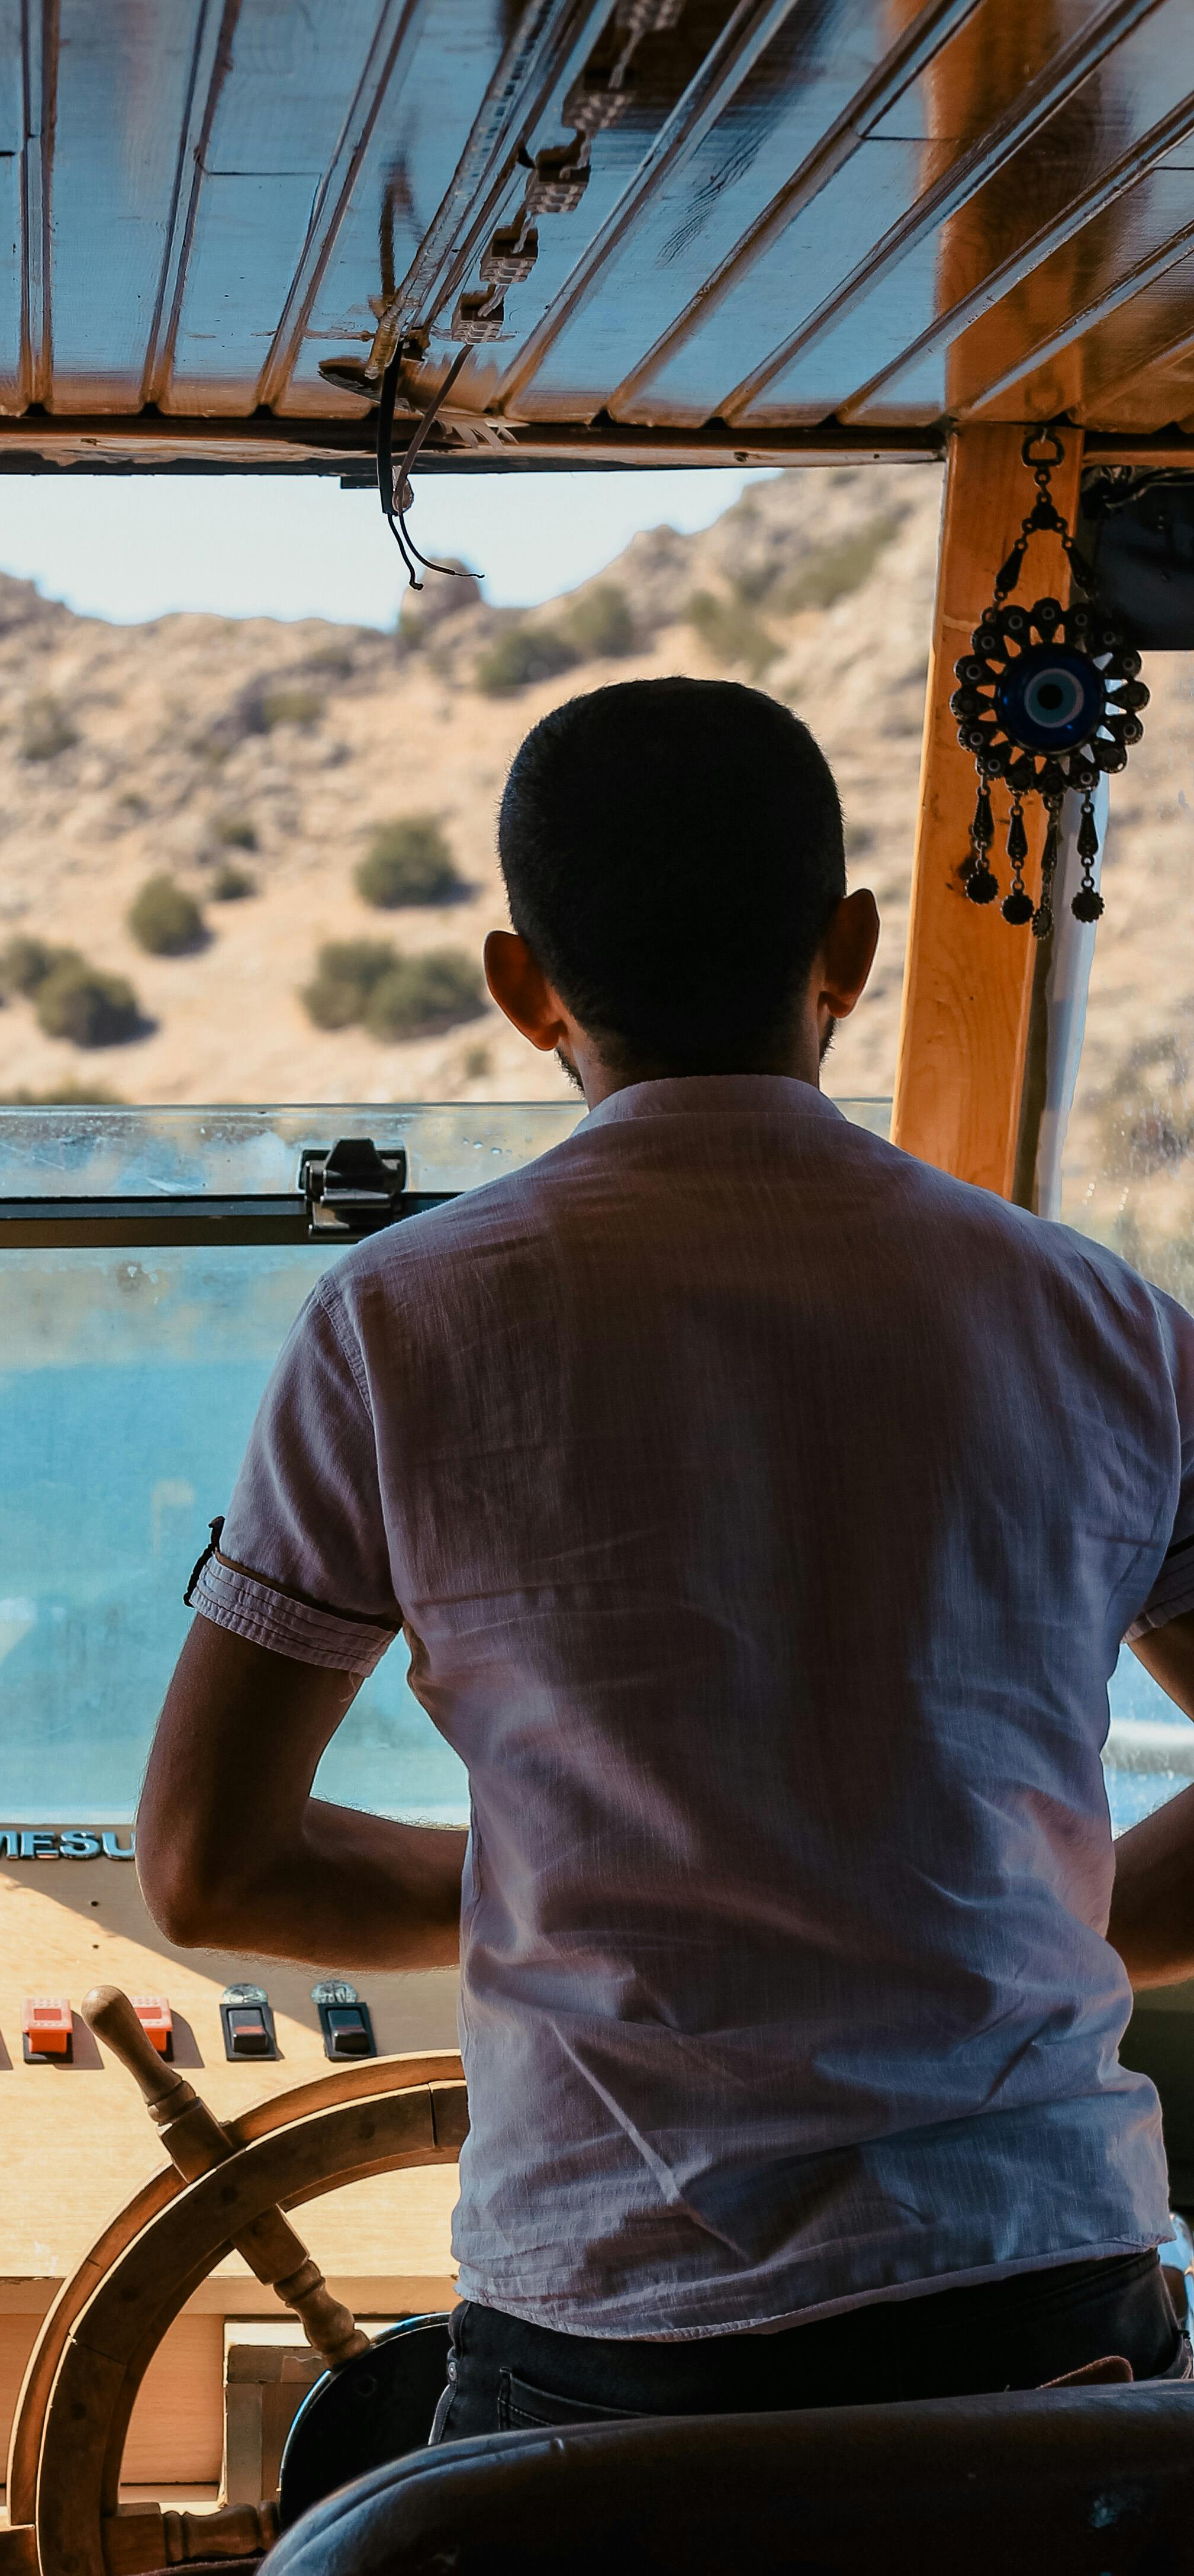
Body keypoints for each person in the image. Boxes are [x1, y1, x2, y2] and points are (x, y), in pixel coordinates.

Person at [139, 675, 1194, 2432]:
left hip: (625, 2333)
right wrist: (978, 1921)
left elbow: (209, 1867)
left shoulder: (398, 1326)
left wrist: (590, 1900)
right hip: (1048, 2304)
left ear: (520, 985)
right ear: (847, 949)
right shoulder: (1103, 1325)